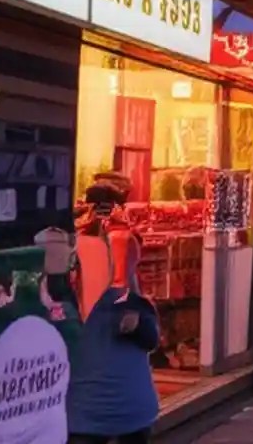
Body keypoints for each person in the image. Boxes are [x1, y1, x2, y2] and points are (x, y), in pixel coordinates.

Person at [67, 183, 160, 444]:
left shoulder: (80, 248)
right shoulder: (121, 244)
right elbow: (150, 336)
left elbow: (149, 334)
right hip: (122, 408)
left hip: (90, 411)